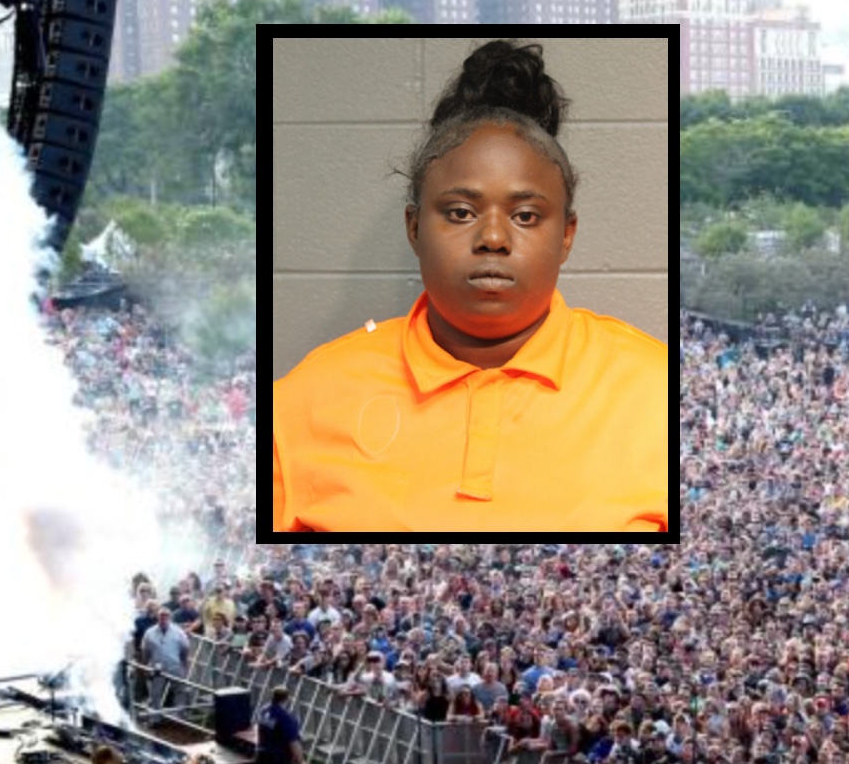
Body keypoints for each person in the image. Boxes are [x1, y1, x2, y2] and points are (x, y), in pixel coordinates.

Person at [271, 38, 669, 533]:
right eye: (460, 213)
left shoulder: (657, 391)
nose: (494, 238)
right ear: (415, 227)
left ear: (566, 235)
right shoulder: (305, 399)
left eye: (526, 215)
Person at [255, 685, 305, 764]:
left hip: (262, 756)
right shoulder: (286, 717)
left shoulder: (263, 711)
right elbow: (294, 743)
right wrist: (301, 763)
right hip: (279, 761)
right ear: (287, 699)